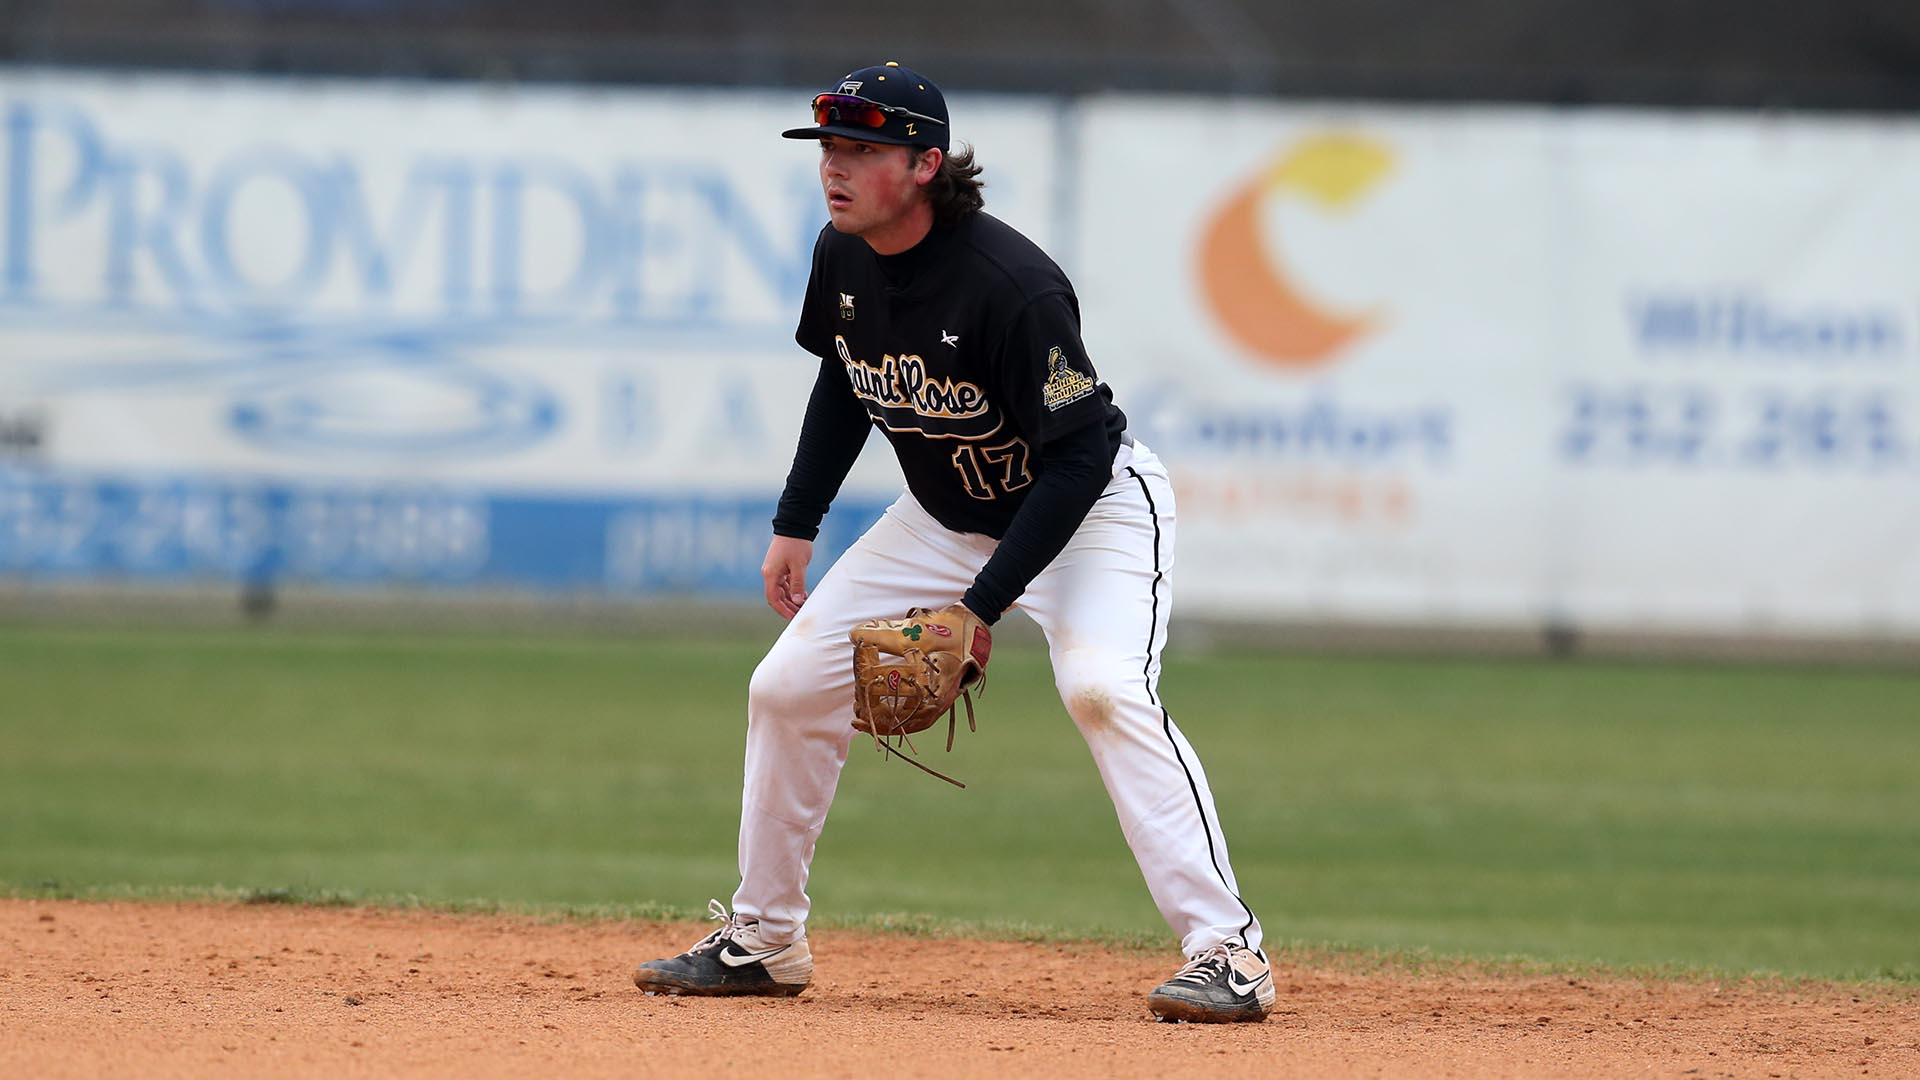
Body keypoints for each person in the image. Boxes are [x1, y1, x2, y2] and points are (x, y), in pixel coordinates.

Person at [632, 62, 1274, 1024]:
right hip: (943, 520)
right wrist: (796, 522)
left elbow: (1074, 464)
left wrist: (979, 609)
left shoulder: (1012, 288)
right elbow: (847, 385)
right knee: (785, 687)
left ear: (926, 164)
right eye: (829, 150)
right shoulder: (842, 256)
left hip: (1092, 514)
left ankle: (1229, 952)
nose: (835, 169)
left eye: (863, 150)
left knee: (1103, 690)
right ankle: (764, 940)